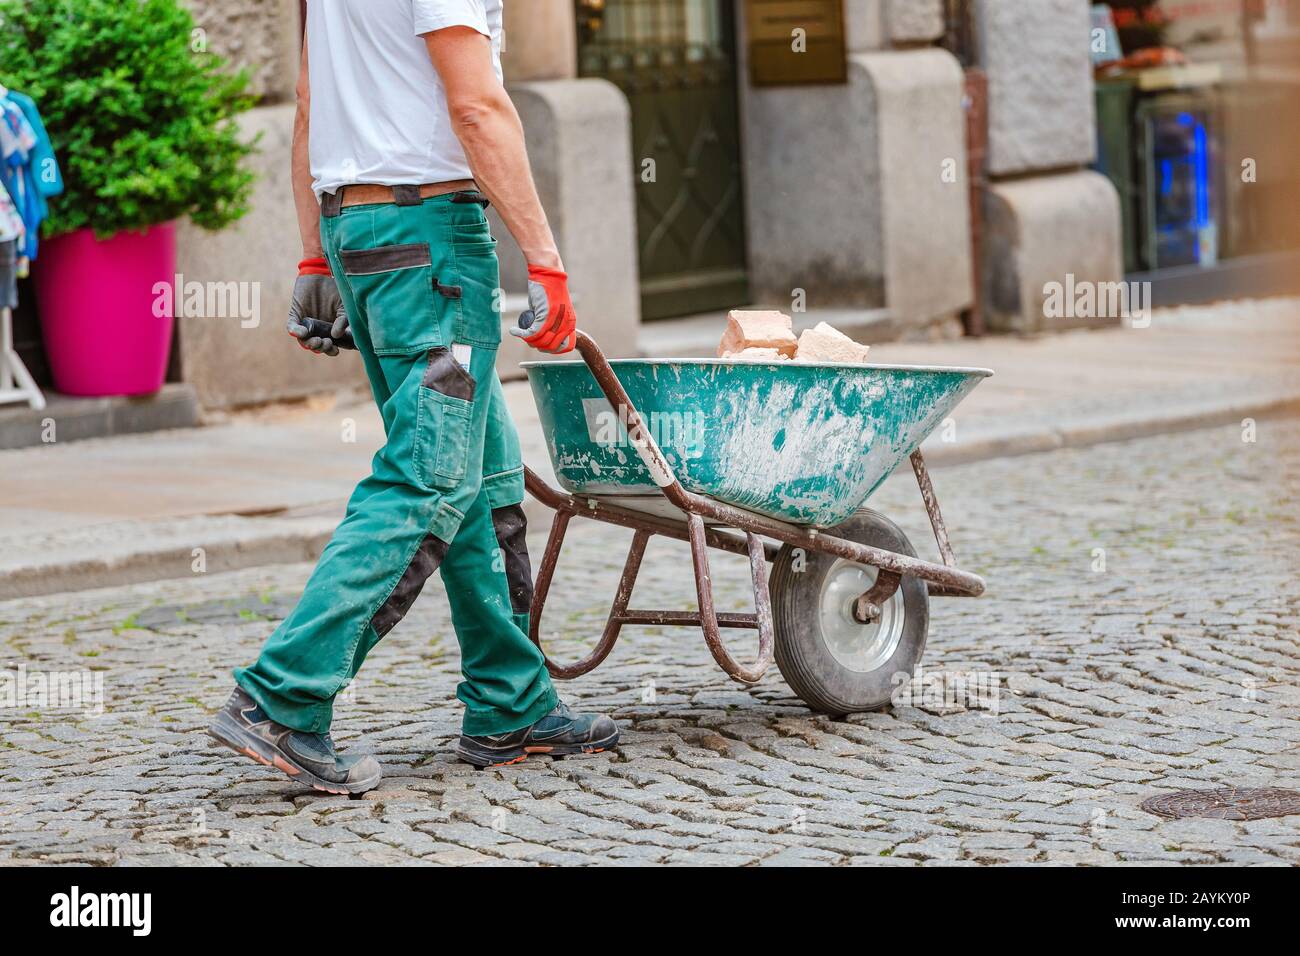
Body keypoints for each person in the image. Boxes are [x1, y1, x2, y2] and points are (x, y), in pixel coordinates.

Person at [208, 0, 618, 793]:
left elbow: (309, 103)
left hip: (363, 238)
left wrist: (314, 256)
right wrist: (545, 258)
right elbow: (476, 104)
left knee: (484, 475)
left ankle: (510, 700)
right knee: (426, 478)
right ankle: (283, 696)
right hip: (430, 247)